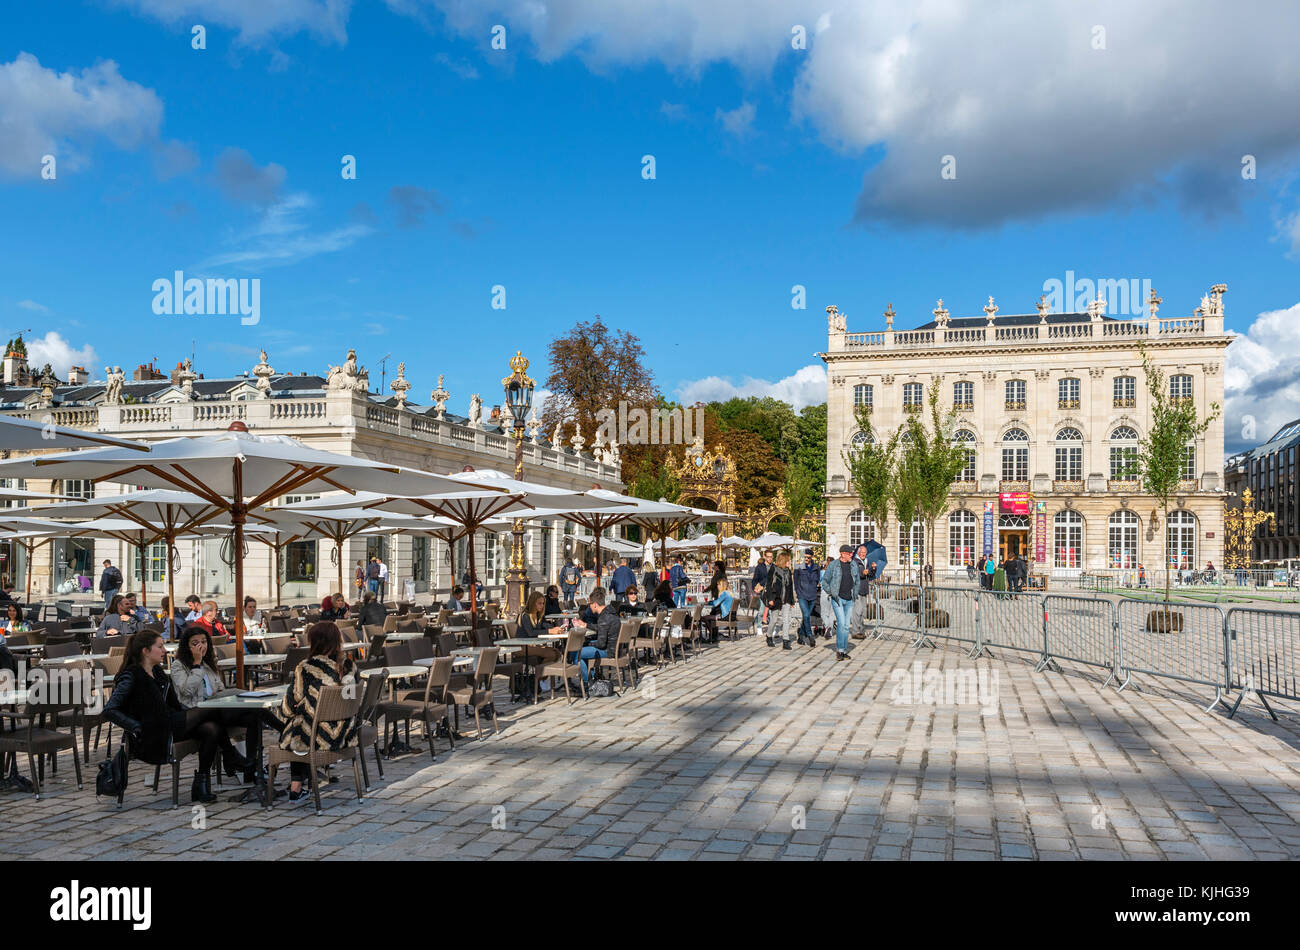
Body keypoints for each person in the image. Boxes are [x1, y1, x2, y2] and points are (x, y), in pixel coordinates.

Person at [104, 630, 226, 804]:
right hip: (151, 733)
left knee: (211, 728)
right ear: (145, 651)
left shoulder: (158, 673)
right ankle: (232, 758)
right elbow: (109, 710)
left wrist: (191, 715)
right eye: (160, 647)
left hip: (168, 723)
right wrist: (136, 727)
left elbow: (175, 705)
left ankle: (201, 785)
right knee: (213, 710)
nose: (165, 651)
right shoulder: (131, 675)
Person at [267, 621, 359, 803]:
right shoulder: (350, 666)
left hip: (316, 737)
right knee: (302, 724)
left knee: (296, 727)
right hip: (345, 734)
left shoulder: (306, 667)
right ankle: (303, 782)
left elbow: (287, 707)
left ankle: (296, 786)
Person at [169, 624, 253, 779]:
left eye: (204, 641)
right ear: (187, 646)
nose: (201, 646)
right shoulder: (178, 665)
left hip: (215, 710)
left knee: (253, 716)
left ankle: (250, 764)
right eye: (195, 643)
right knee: (213, 726)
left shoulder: (209, 664)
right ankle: (231, 758)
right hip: (192, 714)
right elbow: (187, 691)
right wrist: (196, 664)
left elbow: (220, 688)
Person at [820, 545, 856, 661]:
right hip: (838, 599)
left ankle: (844, 651)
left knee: (846, 626)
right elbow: (824, 581)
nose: (851, 555)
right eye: (849, 553)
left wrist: (855, 593)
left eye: (851, 553)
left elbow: (857, 580)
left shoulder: (853, 565)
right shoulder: (834, 565)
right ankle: (840, 650)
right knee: (841, 624)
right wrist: (831, 592)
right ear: (842, 553)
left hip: (849, 599)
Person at [577, 587, 618, 684]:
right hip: (614, 648)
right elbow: (602, 628)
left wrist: (588, 644)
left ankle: (587, 683)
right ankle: (591, 678)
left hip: (608, 651)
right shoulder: (611, 613)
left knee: (577, 652)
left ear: (595, 604)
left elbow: (601, 644)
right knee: (583, 648)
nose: (589, 606)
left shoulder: (603, 618)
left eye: (590, 604)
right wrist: (586, 625)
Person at [764, 552, 797, 651]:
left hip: (786, 598)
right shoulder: (773, 570)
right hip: (776, 598)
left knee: (786, 619)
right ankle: (769, 636)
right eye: (788, 560)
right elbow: (768, 585)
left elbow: (790, 587)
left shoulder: (788, 571)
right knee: (774, 619)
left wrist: (792, 601)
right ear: (783, 561)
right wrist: (770, 599)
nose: (789, 562)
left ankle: (786, 641)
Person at [793, 549, 821, 647]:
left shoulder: (816, 567)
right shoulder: (798, 567)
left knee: (806, 616)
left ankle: (800, 634)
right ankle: (810, 635)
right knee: (806, 615)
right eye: (805, 557)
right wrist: (797, 593)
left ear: (811, 557)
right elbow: (795, 581)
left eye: (808, 558)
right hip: (802, 595)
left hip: (812, 595)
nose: (806, 559)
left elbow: (818, 578)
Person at [700, 577, 733, 642]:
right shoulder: (729, 593)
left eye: (718, 585)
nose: (717, 586)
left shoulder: (724, 593)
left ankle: (713, 635)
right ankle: (714, 635)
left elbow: (715, 604)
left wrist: (708, 602)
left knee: (704, 618)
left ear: (722, 585)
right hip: (729, 615)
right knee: (710, 617)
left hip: (724, 616)